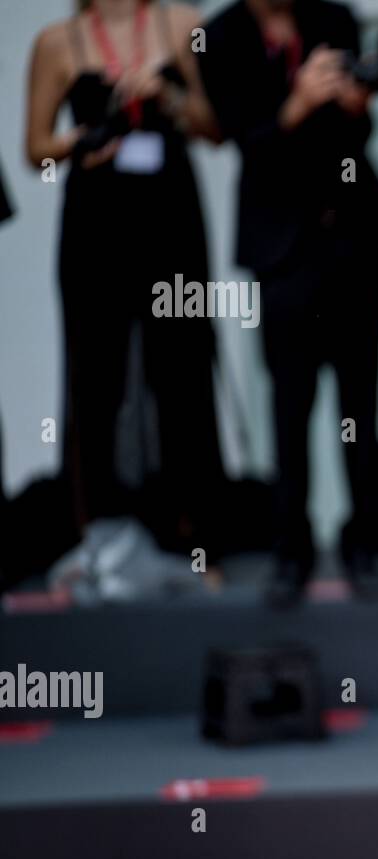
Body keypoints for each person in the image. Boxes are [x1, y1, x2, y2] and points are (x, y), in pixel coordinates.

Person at [199, 0, 378, 607]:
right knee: (290, 399)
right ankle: (292, 549)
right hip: (281, 246)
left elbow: (362, 131)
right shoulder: (220, 36)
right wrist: (297, 102)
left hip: (352, 230)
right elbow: (241, 137)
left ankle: (362, 543)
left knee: (359, 395)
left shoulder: (333, 19)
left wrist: (355, 105)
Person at [25, 0, 226, 557]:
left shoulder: (184, 25)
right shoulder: (58, 41)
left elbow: (216, 128)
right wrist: (82, 141)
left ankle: (195, 533)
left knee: (182, 366)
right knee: (96, 374)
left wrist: (169, 97)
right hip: (96, 221)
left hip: (171, 217)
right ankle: (95, 535)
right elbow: (35, 151)